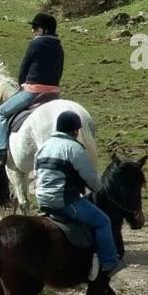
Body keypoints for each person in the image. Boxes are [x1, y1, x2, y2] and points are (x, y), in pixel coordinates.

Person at [34, 110, 125, 276]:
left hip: (42, 199)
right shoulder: (74, 148)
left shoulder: (44, 146)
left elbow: (36, 171)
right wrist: (98, 187)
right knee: (102, 221)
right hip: (64, 202)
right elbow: (92, 180)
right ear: (75, 131)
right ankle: (110, 263)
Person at [0, 12, 62, 163]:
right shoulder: (59, 46)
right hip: (54, 93)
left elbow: (24, 67)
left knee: (1, 112)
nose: (33, 31)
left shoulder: (36, 43)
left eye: (35, 27)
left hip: (33, 91)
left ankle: (0, 150)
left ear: (43, 30)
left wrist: (22, 83)